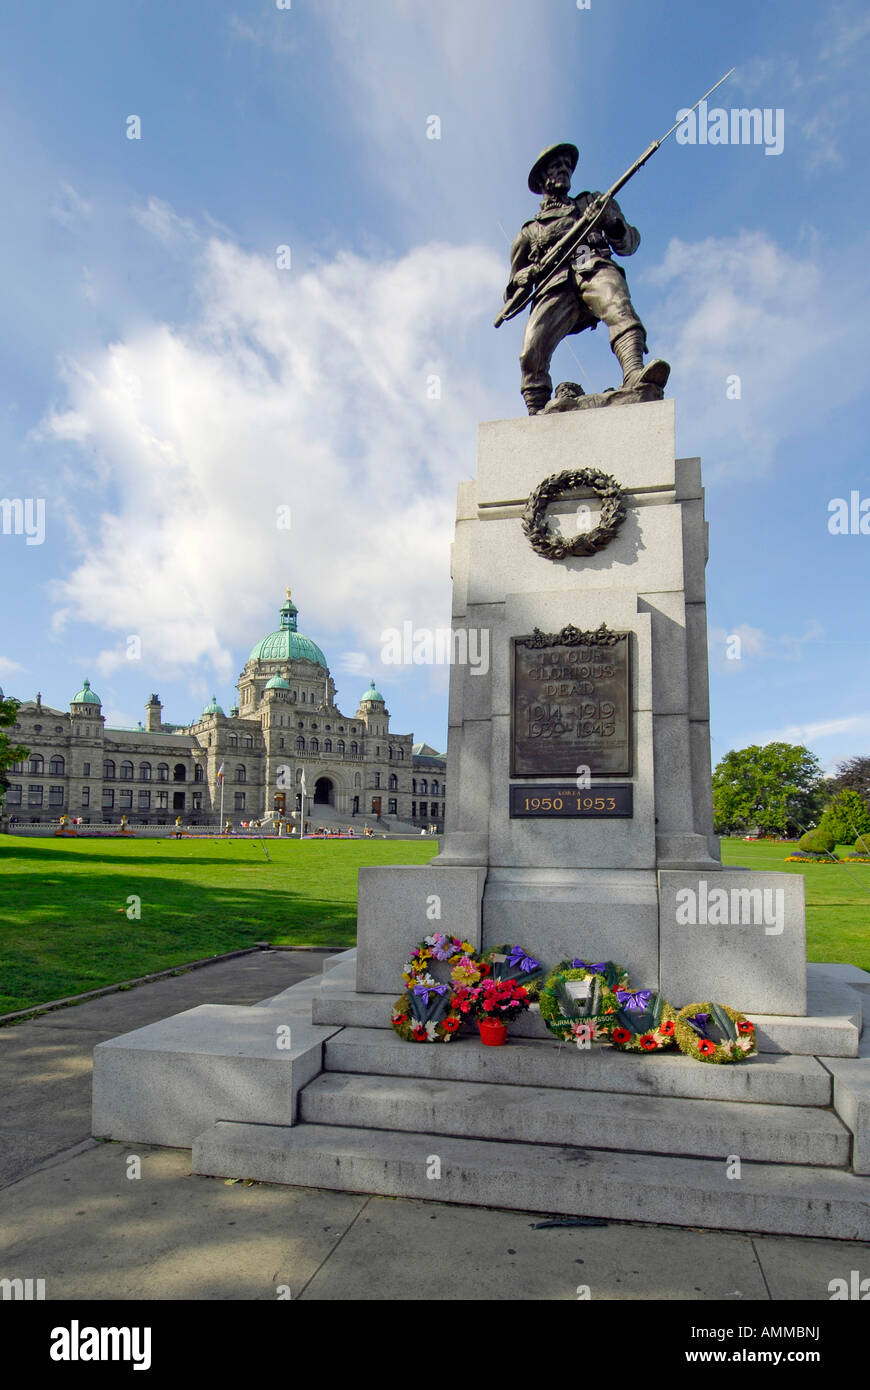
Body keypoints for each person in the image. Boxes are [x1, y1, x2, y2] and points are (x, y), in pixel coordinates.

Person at [504, 142, 669, 415]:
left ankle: (635, 373)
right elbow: (512, 294)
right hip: (554, 284)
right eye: (557, 166)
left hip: (589, 263)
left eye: (568, 166)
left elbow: (629, 243)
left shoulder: (592, 202)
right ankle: (536, 413)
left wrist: (610, 221)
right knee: (531, 352)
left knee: (619, 306)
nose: (564, 170)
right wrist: (527, 275)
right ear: (543, 178)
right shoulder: (529, 232)